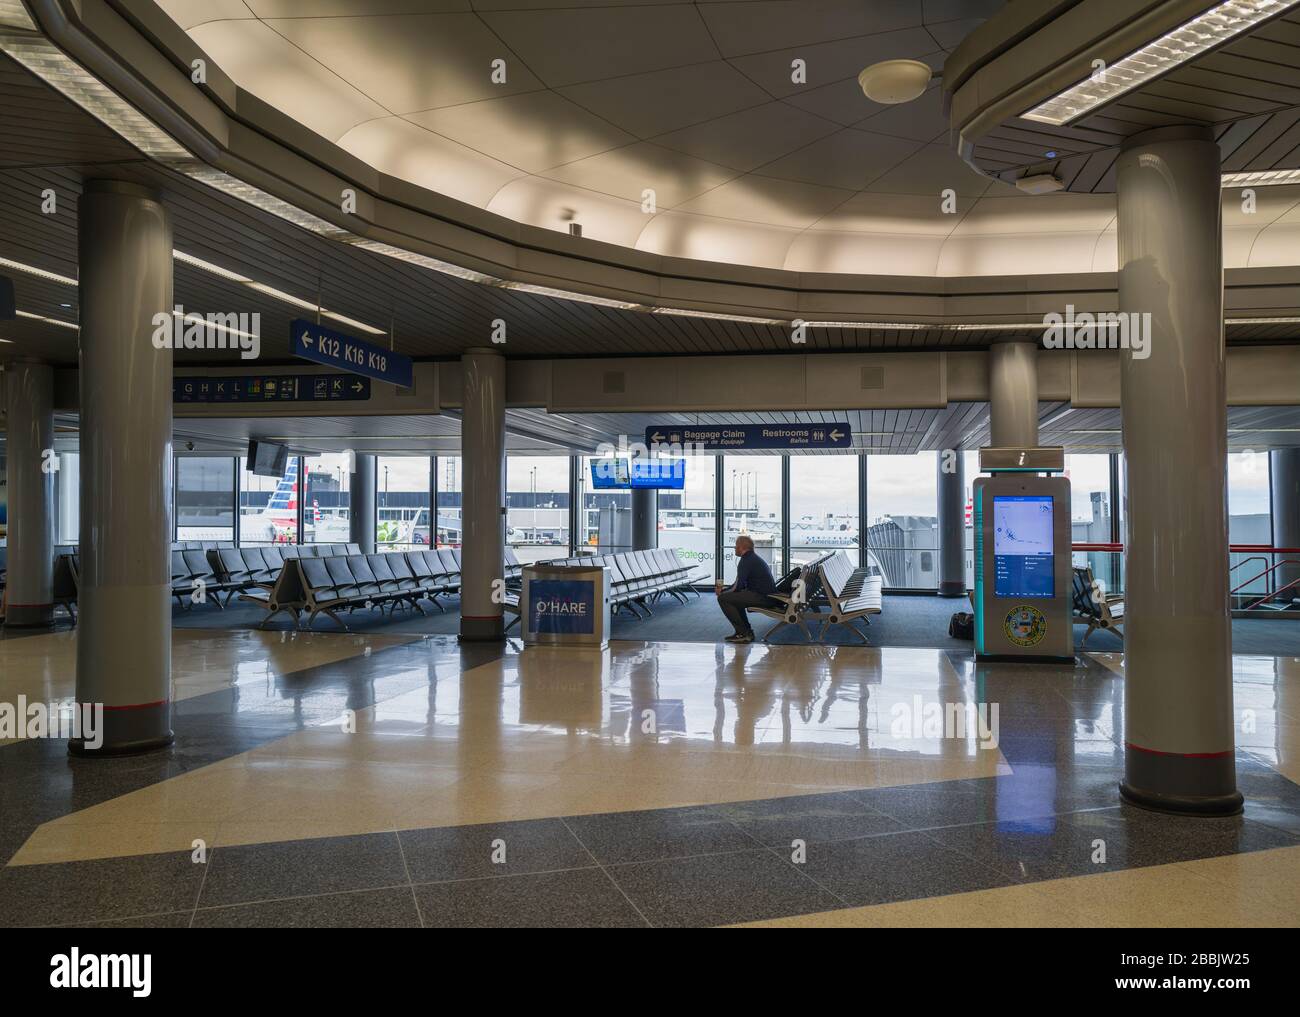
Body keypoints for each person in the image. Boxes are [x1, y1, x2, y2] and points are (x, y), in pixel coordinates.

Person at [716, 534, 777, 643]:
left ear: (741, 547)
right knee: (734, 598)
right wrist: (726, 591)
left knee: (723, 598)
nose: (734, 548)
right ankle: (745, 632)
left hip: (762, 597)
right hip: (767, 596)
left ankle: (744, 633)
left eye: (736, 546)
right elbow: (739, 585)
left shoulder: (746, 561)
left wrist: (722, 592)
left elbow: (738, 586)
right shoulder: (752, 558)